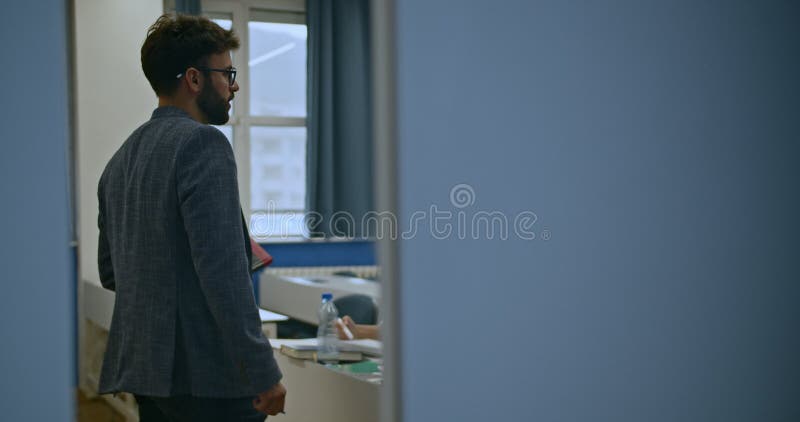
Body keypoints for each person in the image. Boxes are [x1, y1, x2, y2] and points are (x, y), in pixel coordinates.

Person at [96, 14, 285, 421]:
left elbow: (112, 272)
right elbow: (223, 277)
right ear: (195, 79)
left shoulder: (119, 162)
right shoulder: (204, 145)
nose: (234, 85)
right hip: (208, 379)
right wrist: (264, 372)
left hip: (149, 378)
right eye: (228, 73)